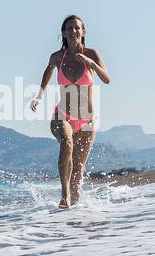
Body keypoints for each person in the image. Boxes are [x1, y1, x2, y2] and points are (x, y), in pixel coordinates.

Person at [29, 15, 111, 208]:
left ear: (83, 32)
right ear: (63, 33)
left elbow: (107, 79)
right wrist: (39, 96)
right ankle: (64, 195)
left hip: (87, 120)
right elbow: (48, 71)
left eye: (77, 28)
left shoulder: (92, 54)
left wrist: (92, 64)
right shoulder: (57, 57)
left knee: (78, 172)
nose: (73, 31)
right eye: (69, 28)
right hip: (63, 114)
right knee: (67, 142)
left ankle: (73, 218)